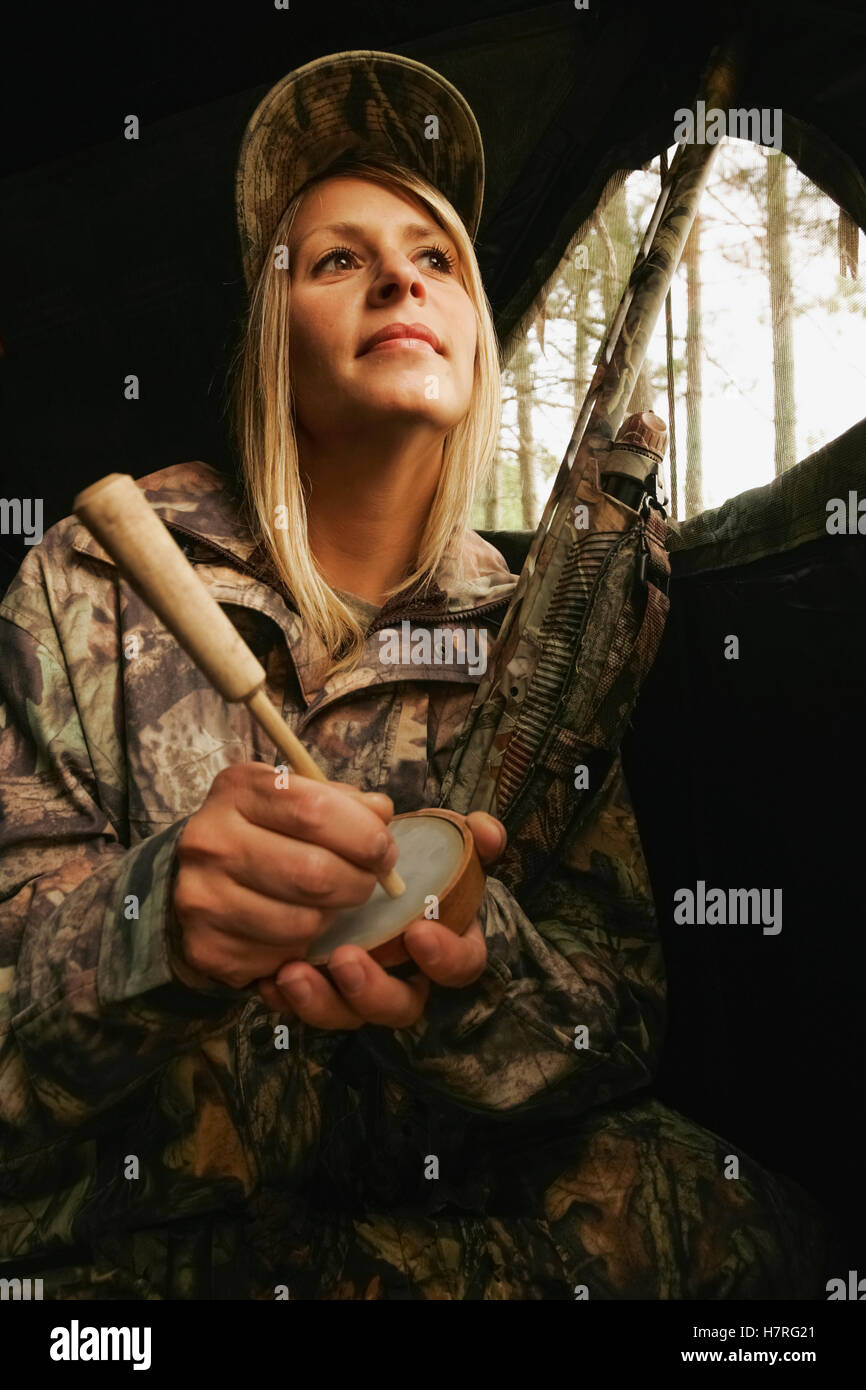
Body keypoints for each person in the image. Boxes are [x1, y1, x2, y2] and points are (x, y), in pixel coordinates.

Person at [0, 50, 829, 1299]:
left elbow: (612, 1034)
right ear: (270, 332)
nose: (400, 274)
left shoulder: (535, 640)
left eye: (434, 256)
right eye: (337, 258)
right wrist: (153, 920)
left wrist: (463, 957)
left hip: (434, 1219)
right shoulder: (97, 578)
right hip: (142, 1236)